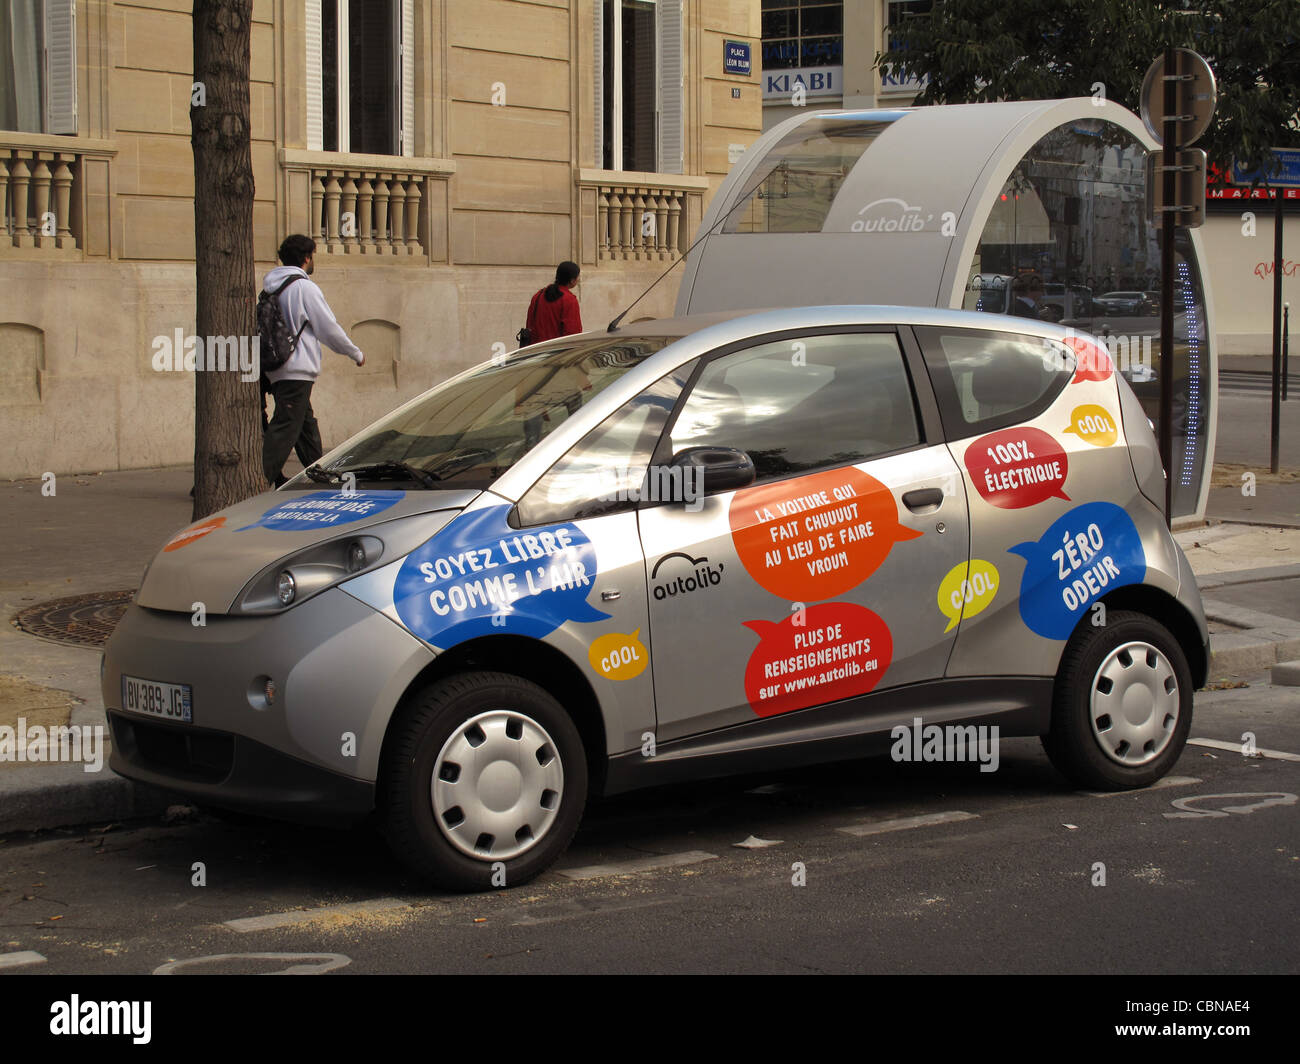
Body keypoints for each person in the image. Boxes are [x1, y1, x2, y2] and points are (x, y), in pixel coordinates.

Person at [261, 234, 365, 487]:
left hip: (275, 368)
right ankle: (256, 480)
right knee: (286, 426)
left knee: (305, 425)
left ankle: (320, 475)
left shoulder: (269, 287)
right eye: (312, 256)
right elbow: (327, 327)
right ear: (307, 258)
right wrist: (354, 352)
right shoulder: (304, 288)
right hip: (296, 368)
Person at [525, 261, 583, 343]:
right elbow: (573, 334)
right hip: (557, 351)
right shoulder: (569, 300)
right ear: (572, 280)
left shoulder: (538, 295)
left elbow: (530, 324)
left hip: (536, 351)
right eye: (578, 277)